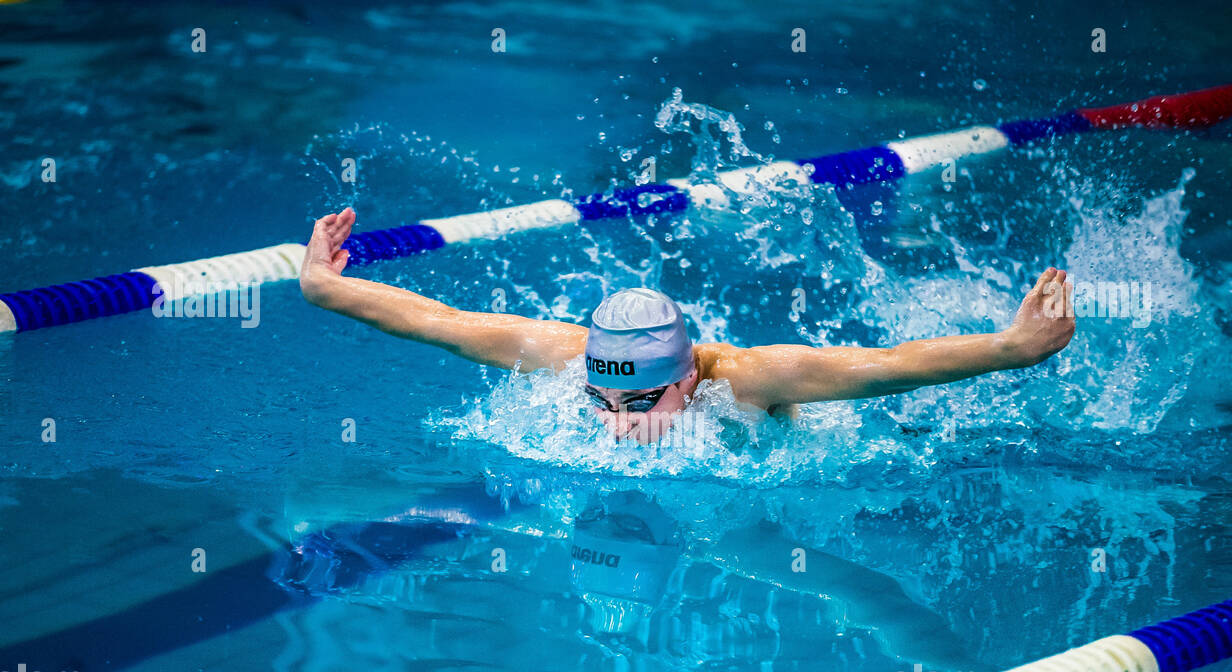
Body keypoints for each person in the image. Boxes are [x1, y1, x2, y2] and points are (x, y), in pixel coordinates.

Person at [300, 207, 1075, 442]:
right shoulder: (568, 357)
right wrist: (325, 291)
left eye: (642, 405)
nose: (617, 427)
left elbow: (891, 363)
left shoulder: (753, 380)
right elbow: (445, 322)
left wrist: (1013, 349)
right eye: (601, 403)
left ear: (690, 377)